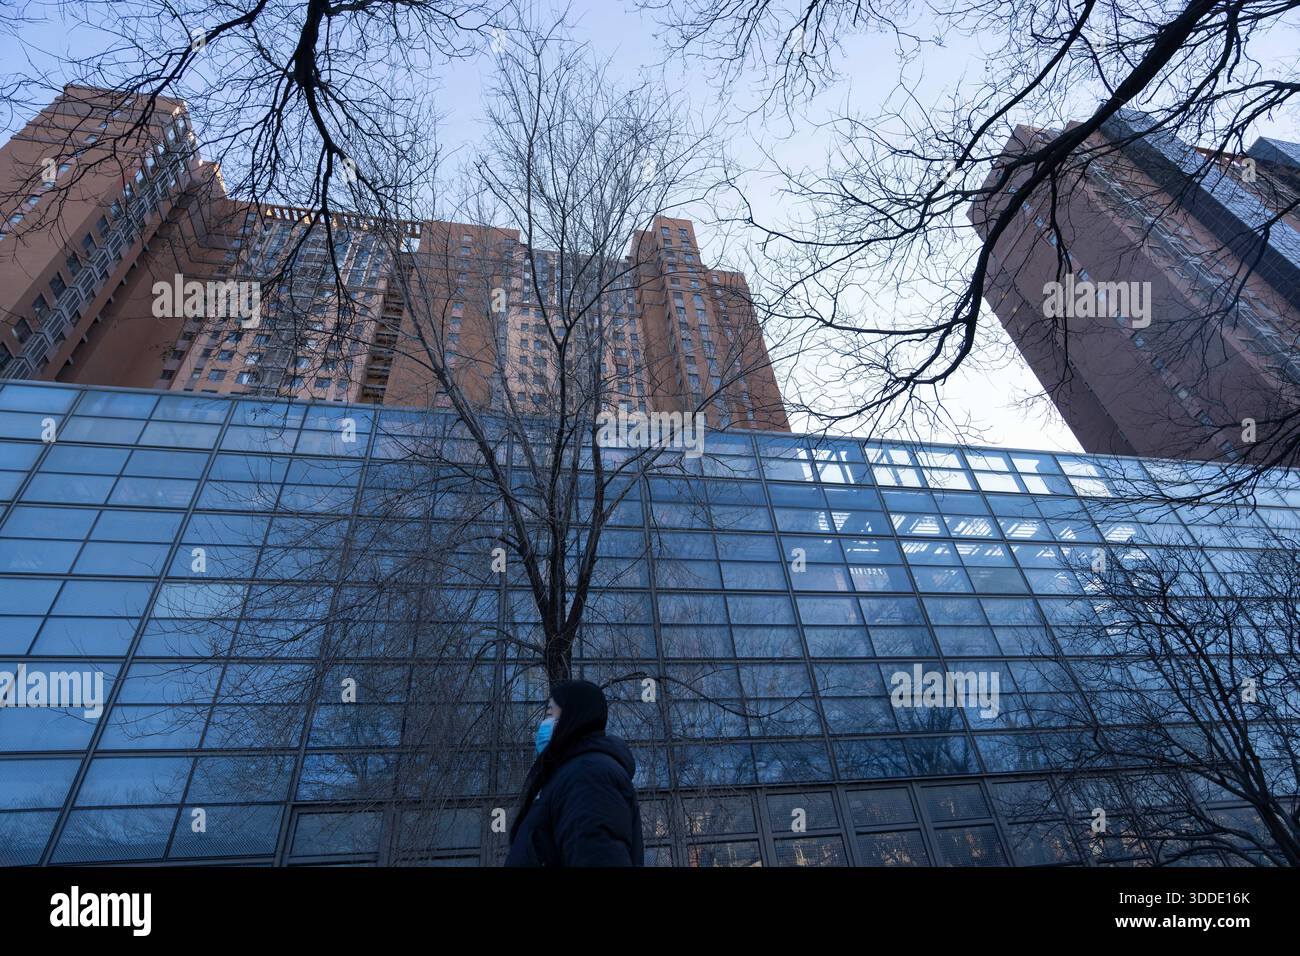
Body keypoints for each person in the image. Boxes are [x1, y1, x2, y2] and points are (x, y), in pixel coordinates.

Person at [504, 678, 644, 866]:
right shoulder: (571, 774)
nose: (544, 723)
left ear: (573, 717)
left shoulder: (589, 776)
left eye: (550, 714)